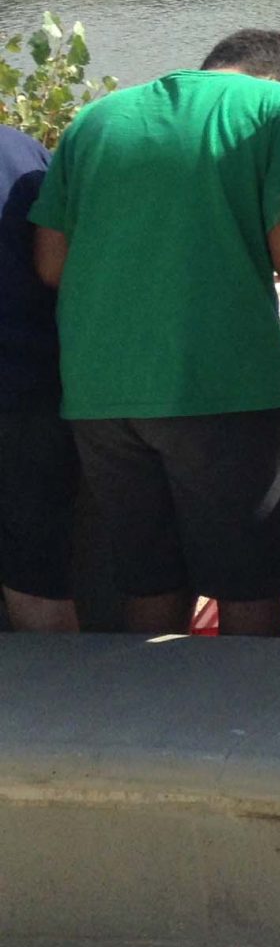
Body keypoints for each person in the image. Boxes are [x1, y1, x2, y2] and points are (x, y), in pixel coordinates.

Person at [29, 29, 280, 637]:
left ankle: (157, 722)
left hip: (100, 397)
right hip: (224, 388)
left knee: (151, 580)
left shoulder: (95, 119)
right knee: (248, 583)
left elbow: (51, 265)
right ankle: (254, 722)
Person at [0, 123, 76, 631]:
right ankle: (63, 705)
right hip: (27, 388)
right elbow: (63, 263)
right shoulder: (24, 154)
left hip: (26, 392)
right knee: (36, 579)